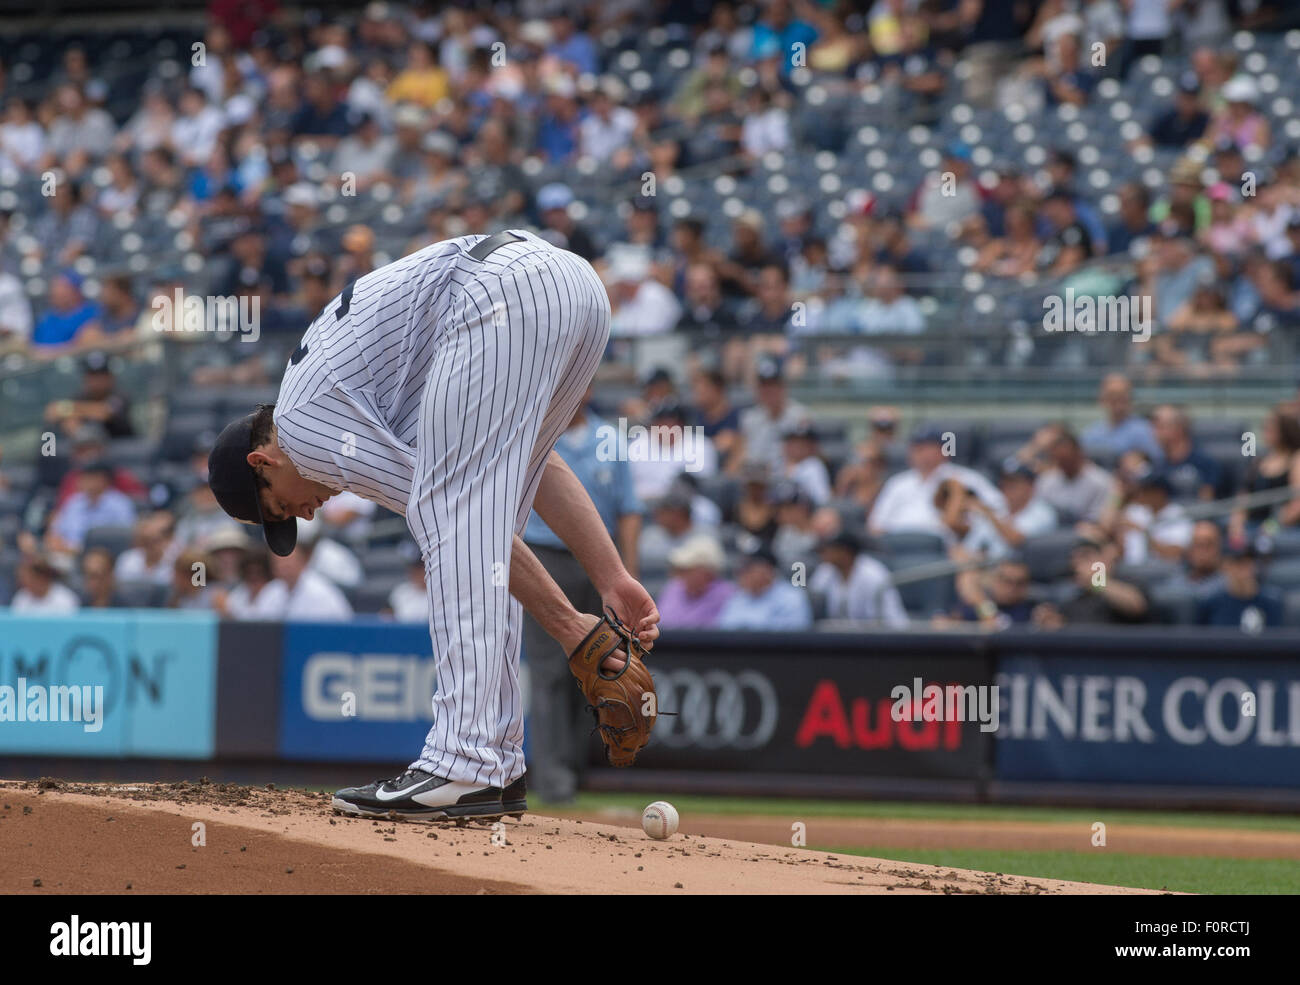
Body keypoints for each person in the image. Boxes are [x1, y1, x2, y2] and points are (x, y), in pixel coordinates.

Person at [205, 229, 660, 821]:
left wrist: (572, 629)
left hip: (498, 296)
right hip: (573, 289)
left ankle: (463, 763)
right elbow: (534, 468)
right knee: (477, 503)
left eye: (282, 508)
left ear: (262, 462)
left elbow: (455, 519)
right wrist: (611, 577)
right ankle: (495, 765)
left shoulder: (298, 427)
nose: (306, 512)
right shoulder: (369, 393)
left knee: (453, 513)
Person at [520, 388, 643, 804]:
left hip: (598, 559)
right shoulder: (535, 431)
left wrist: (626, 572)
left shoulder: (610, 438)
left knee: (599, 668)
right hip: (542, 554)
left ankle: (578, 769)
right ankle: (553, 780)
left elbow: (629, 509)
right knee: (548, 671)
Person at [868, 425, 1005, 539]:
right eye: (916, 448)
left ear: (944, 450)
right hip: (899, 544)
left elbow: (999, 510)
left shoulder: (966, 478)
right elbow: (876, 525)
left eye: (927, 447)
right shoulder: (897, 482)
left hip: (944, 547)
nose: (920, 453)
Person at [810, 531, 908, 627]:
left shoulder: (873, 574)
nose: (824, 554)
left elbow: (888, 620)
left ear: (845, 552)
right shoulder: (825, 570)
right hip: (836, 636)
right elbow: (813, 602)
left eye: (829, 550)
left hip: (874, 636)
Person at [717, 545, 812, 630]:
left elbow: (794, 637)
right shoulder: (738, 598)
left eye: (749, 568)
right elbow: (724, 629)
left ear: (768, 569)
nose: (743, 573)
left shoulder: (791, 597)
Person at [655, 535, 735, 628]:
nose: (681, 576)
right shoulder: (673, 588)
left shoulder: (727, 596)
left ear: (707, 572)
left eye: (687, 570)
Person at [1197, 543, 1283, 630]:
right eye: (1238, 562)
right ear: (1225, 566)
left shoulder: (1271, 604)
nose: (1244, 569)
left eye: (1249, 562)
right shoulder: (1211, 604)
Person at [1080, 374, 1160, 461]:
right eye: (1112, 395)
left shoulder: (1146, 431)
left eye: (1121, 395)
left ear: (1130, 398)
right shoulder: (1091, 434)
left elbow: (1156, 460)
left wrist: (1141, 459)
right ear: (1102, 399)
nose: (1116, 400)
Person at [10, 556, 80, 614]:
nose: (23, 582)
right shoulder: (21, 597)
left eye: (29, 578)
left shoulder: (65, 599)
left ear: (42, 578)